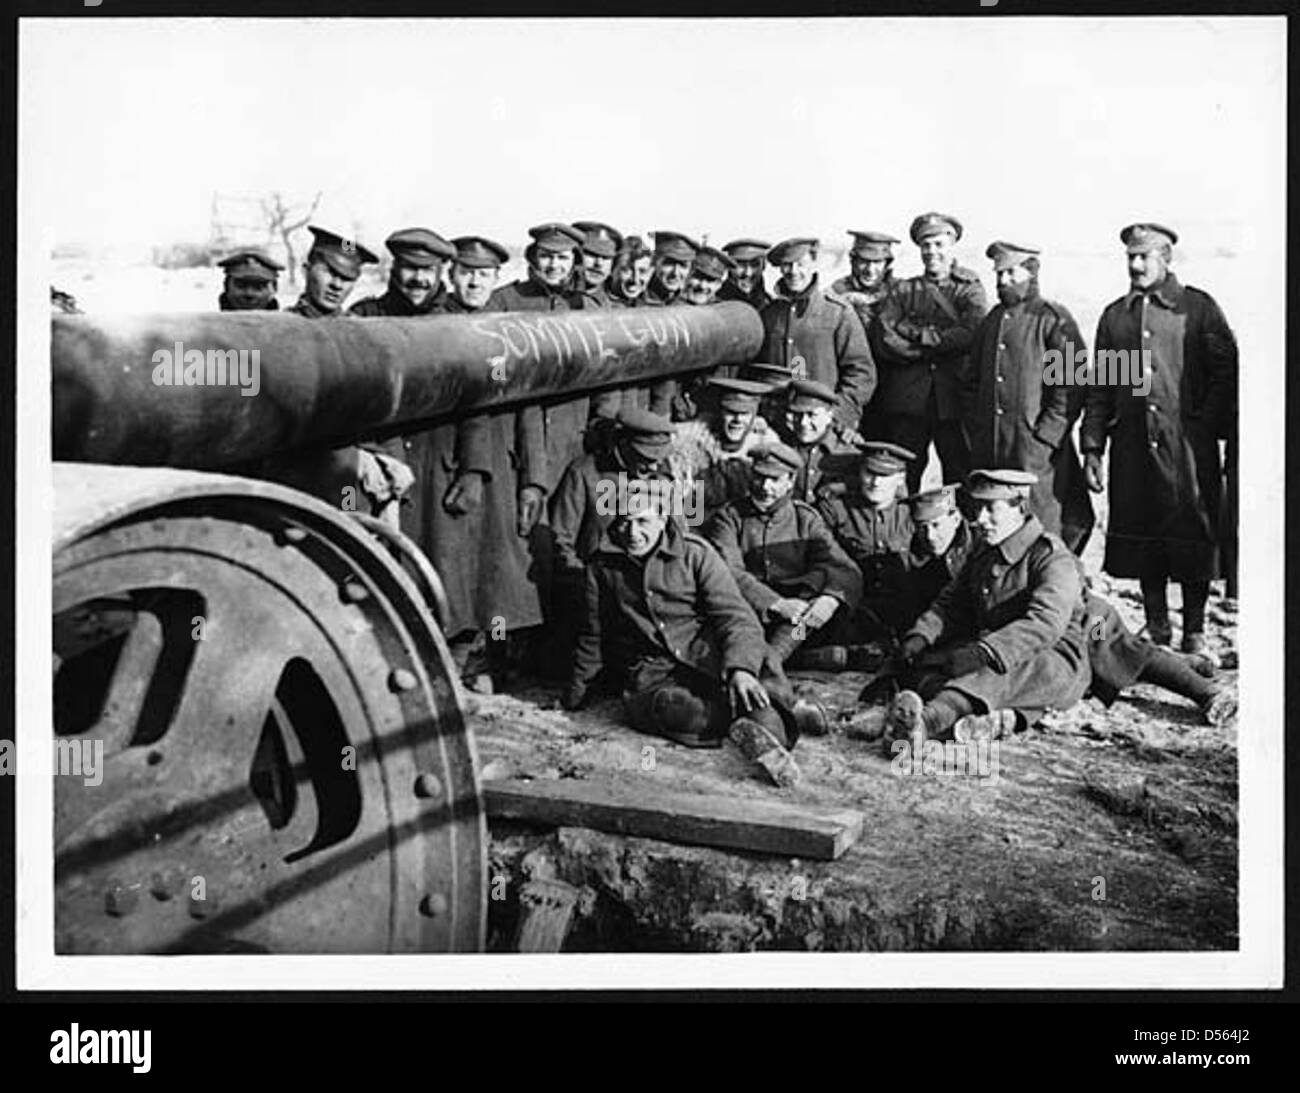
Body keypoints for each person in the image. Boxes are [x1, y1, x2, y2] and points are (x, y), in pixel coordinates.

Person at [567, 493, 828, 786]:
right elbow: (593, 633)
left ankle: (774, 728)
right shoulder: (602, 566)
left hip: (710, 652)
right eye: (624, 522)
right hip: (655, 670)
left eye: (643, 521)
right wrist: (577, 693)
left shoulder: (695, 553)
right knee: (672, 708)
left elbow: (735, 616)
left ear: (663, 518)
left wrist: (740, 668)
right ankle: (776, 714)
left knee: (756, 698)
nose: (632, 533)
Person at [1080, 223, 1238, 659]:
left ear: (1166, 259)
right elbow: (1101, 389)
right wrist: (1092, 447)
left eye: (1143, 256)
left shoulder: (1197, 308)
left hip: (1187, 446)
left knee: (1193, 530)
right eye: (1130, 257)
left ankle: (1195, 630)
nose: (1134, 265)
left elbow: (1226, 370)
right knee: (1146, 529)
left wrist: (1204, 424)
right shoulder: (1117, 317)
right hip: (1132, 446)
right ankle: (1156, 624)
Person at [406, 235, 547, 693]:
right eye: (465, 272)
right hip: (445, 461)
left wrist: (534, 479)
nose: (473, 281)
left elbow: (530, 406)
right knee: (448, 564)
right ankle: (443, 660)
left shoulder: (509, 329)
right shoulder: (434, 323)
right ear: (451, 275)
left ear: (495, 279)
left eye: (483, 274)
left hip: (502, 466)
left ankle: (485, 660)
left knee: (498, 577)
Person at [882, 468, 1091, 749]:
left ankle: (926, 724)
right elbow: (951, 604)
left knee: (994, 673)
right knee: (925, 661)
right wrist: (921, 636)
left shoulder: (1051, 557)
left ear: (1020, 507)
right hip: (992, 645)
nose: (980, 519)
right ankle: (986, 719)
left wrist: (985, 652)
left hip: (1050, 658)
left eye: (991, 508)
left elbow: (1044, 624)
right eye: (978, 508)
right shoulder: (983, 550)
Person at [965, 240, 1094, 553]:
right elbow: (971, 382)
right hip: (994, 448)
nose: (1003, 281)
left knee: (1044, 521)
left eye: (1012, 273)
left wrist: (1046, 438)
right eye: (999, 274)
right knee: (996, 520)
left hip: (1036, 451)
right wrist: (978, 428)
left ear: (1032, 273)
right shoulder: (991, 321)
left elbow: (1072, 384)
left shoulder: (1052, 319)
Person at [704, 442, 863, 669]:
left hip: (800, 621)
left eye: (775, 480)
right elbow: (728, 571)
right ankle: (792, 661)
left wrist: (830, 599)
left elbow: (845, 568)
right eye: (760, 477)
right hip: (751, 610)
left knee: (814, 590)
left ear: (790, 481)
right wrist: (776, 604)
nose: (765, 487)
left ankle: (774, 660)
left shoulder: (805, 518)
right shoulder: (729, 518)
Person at [872, 212, 988, 493]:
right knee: (902, 477)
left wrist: (918, 335)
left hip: (953, 401)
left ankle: (959, 536)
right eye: (926, 245)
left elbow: (970, 333)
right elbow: (885, 336)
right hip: (909, 402)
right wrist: (928, 351)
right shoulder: (904, 289)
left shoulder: (969, 289)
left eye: (938, 244)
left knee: (959, 477)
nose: (931, 252)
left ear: (952, 245)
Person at [759, 237, 877, 439]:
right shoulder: (769, 314)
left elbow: (861, 373)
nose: (794, 272)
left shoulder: (837, 312)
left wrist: (839, 415)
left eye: (801, 264)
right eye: (787, 265)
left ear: (814, 264)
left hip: (822, 426)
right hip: (777, 424)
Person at [815, 441, 918, 641]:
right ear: (859, 473)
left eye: (885, 476)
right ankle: (789, 654)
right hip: (849, 603)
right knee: (802, 625)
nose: (875, 483)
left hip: (900, 611)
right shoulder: (836, 510)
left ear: (900, 479)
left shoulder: (910, 514)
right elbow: (819, 556)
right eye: (869, 473)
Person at [669, 377, 773, 518]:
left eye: (745, 414)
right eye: (731, 412)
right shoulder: (691, 442)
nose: (737, 420)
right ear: (720, 412)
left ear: (754, 416)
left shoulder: (766, 447)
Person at [773, 378, 860, 502]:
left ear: (829, 416)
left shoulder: (847, 452)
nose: (803, 423)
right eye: (798, 414)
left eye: (812, 415)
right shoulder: (781, 446)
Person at [348, 227, 454, 316]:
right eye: (410, 267)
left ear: (439, 273)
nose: (418, 278)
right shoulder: (364, 315)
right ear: (395, 269)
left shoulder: (456, 321)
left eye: (428, 269)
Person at [285, 225, 379, 317]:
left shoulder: (356, 328)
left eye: (346, 278)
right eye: (329, 272)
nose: (337, 285)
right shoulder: (282, 325)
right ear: (306, 271)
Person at [830, 230, 899, 333]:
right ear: (853, 261)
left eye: (877, 262)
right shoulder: (838, 291)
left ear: (886, 264)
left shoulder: (899, 290)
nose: (870, 270)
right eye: (864, 261)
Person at [571, 220, 624, 308]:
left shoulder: (617, 309)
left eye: (606, 257)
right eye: (591, 254)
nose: (598, 264)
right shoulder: (553, 302)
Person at [644, 230, 699, 306]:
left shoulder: (687, 306)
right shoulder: (636, 302)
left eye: (683, 265)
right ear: (655, 262)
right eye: (669, 263)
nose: (675, 273)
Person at [216, 248, 282, 311]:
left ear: (274, 289)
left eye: (258, 288)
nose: (249, 294)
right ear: (226, 287)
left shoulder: (287, 322)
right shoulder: (209, 322)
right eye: (241, 286)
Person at [717, 239, 772, 310]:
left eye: (755, 264)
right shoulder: (715, 305)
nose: (748, 273)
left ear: (764, 266)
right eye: (740, 264)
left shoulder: (773, 307)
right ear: (729, 266)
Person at [607, 235, 655, 307]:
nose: (635, 280)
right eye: (626, 270)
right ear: (611, 270)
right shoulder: (592, 306)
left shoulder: (655, 308)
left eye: (642, 271)